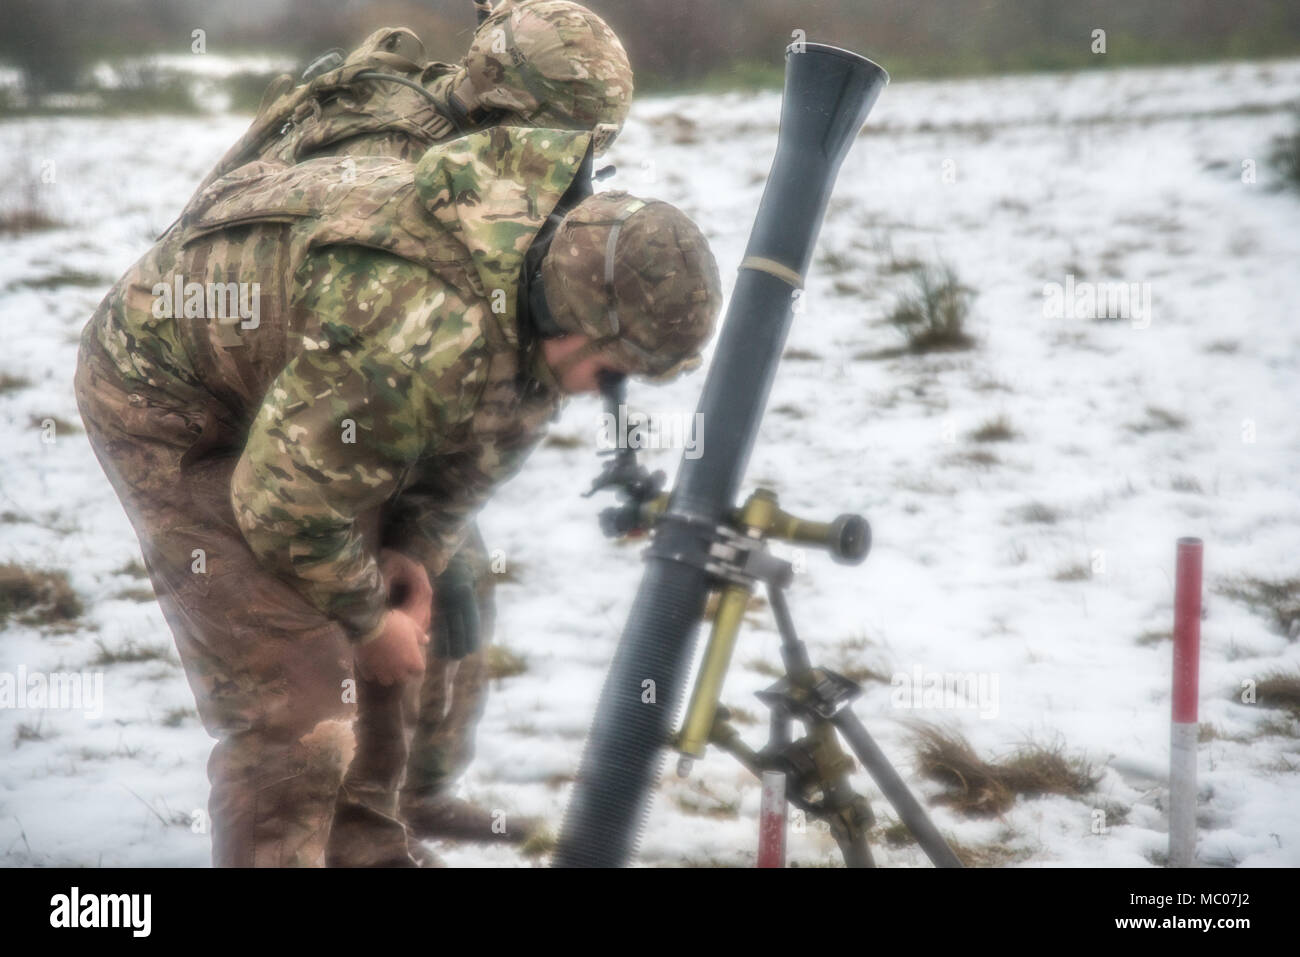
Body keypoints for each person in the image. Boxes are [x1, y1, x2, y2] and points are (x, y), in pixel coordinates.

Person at [74, 125, 722, 866]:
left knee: (380, 667)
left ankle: (366, 854)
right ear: (576, 332)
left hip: (305, 401)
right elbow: (279, 507)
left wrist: (411, 551)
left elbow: (472, 460)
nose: (611, 388)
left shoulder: (541, 296)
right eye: (613, 368)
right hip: (168, 398)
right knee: (301, 707)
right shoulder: (424, 332)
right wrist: (366, 615)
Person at [187, 0, 637, 844]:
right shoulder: (392, 156)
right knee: (337, 656)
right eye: (575, 136)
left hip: (375, 399)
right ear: (517, 107)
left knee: (452, 584)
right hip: (291, 407)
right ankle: (342, 821)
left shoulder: (479, 148)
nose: (580, 163)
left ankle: (415, 792)